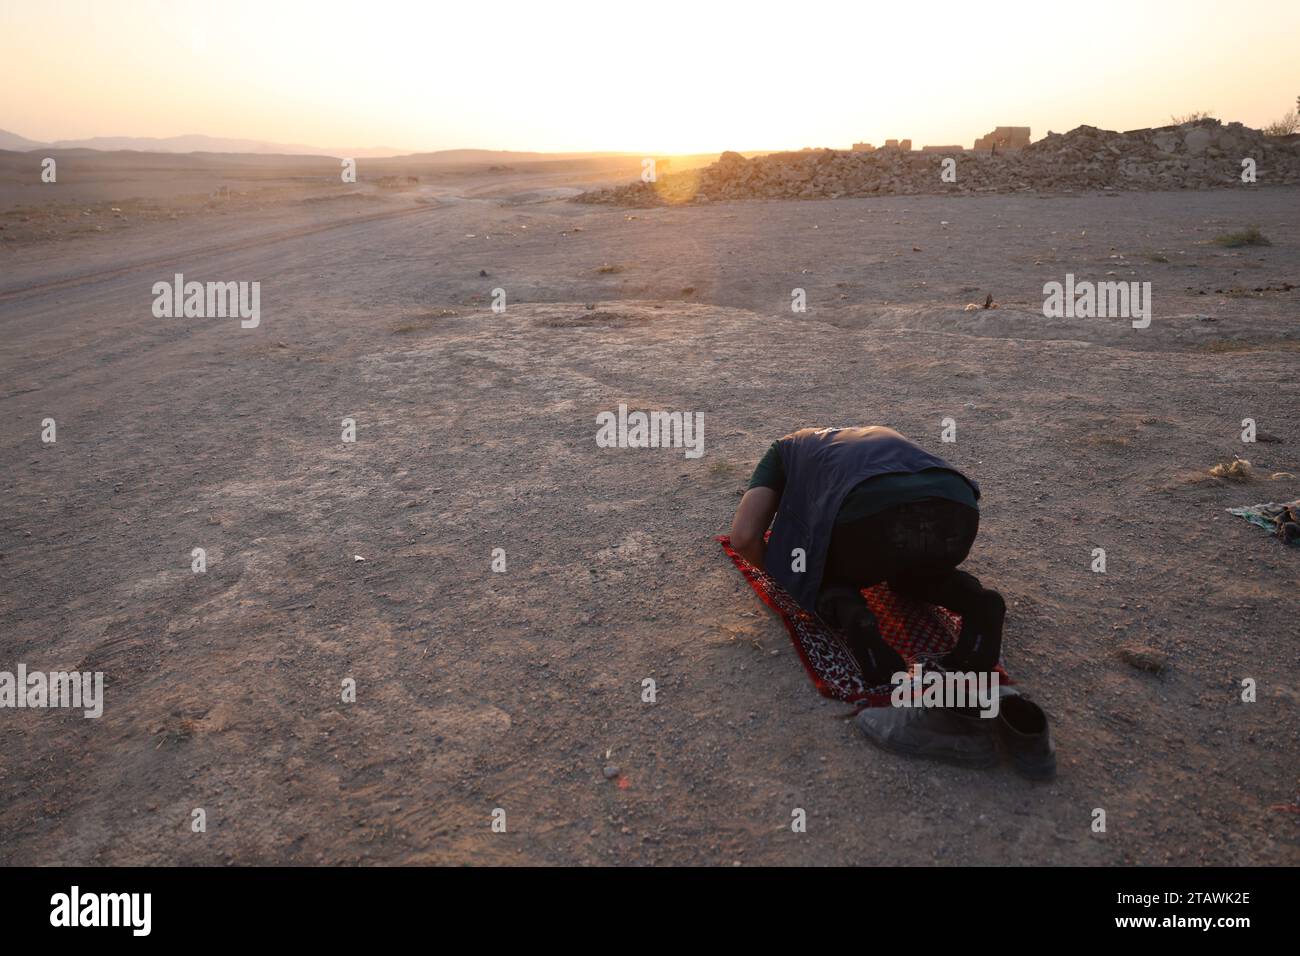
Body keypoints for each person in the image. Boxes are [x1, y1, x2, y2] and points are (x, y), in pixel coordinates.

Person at [729, 425, 1005, 684]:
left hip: (868, 519)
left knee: (814, 567)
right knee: (910, 572)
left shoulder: (783, 449)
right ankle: (977, 602)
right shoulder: (878, 434)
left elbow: (743, 539)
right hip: (957, 510)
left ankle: (853, 615)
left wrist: (784, 573)